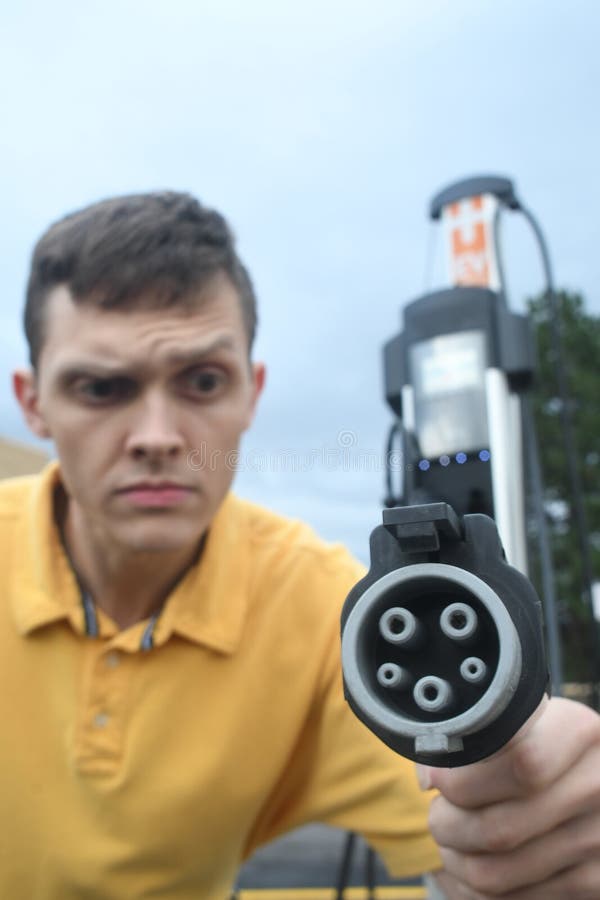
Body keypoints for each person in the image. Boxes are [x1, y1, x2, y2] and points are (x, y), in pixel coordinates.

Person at [3, 191, 599, 899]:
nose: (157, 436)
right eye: (102, 388)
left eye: (201, 381)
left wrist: (529, 833)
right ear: (33, 402)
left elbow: (464, 844)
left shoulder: (326, 612)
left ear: (252, 393)